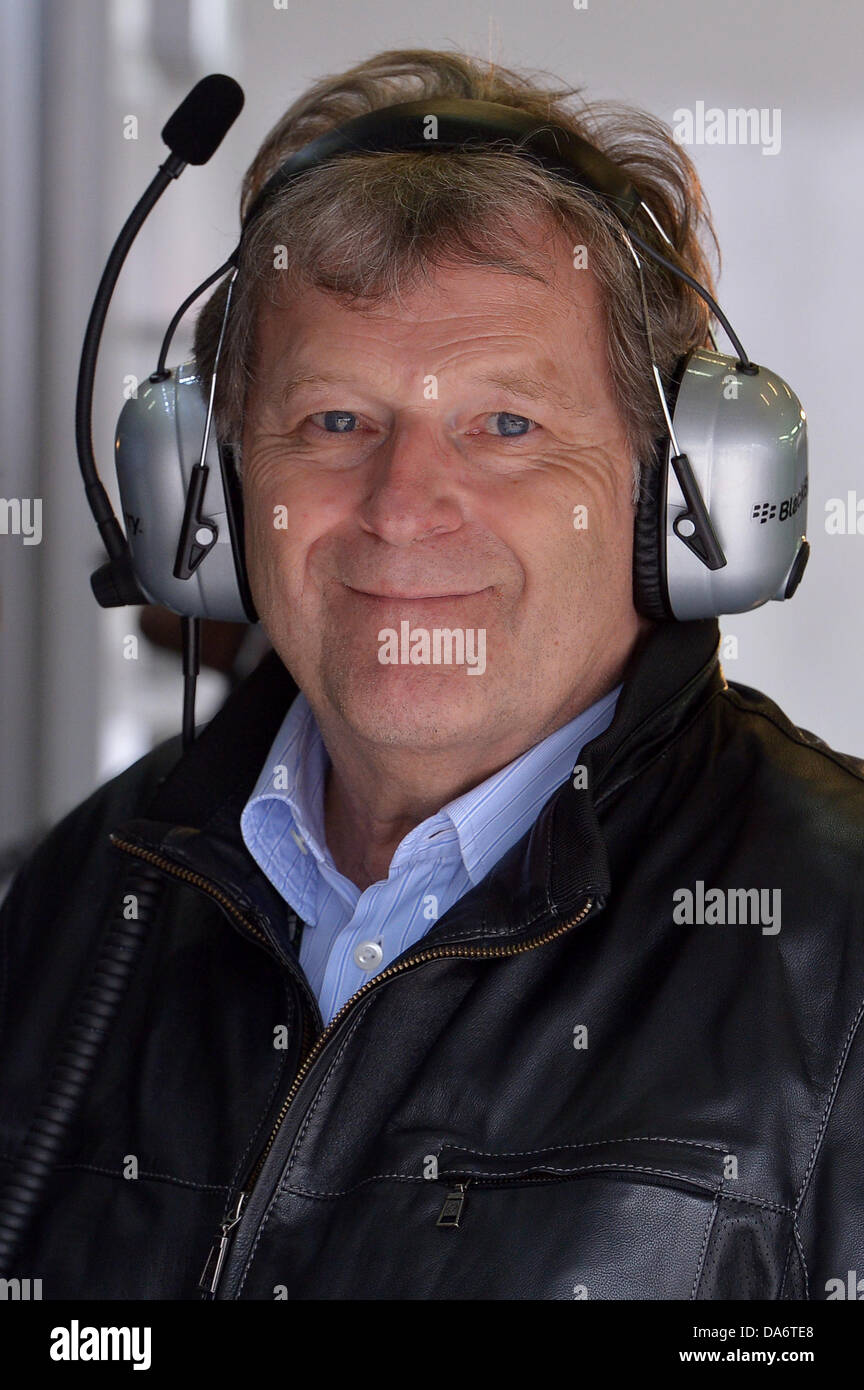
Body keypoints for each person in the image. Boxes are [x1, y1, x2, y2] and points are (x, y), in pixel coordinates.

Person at [1, 48, 862, 1301]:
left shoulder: (838, 964)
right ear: (215, 492)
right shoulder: (82, 903)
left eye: (506, 427)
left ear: (680, 497)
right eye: (334, 421)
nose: (403, 510)